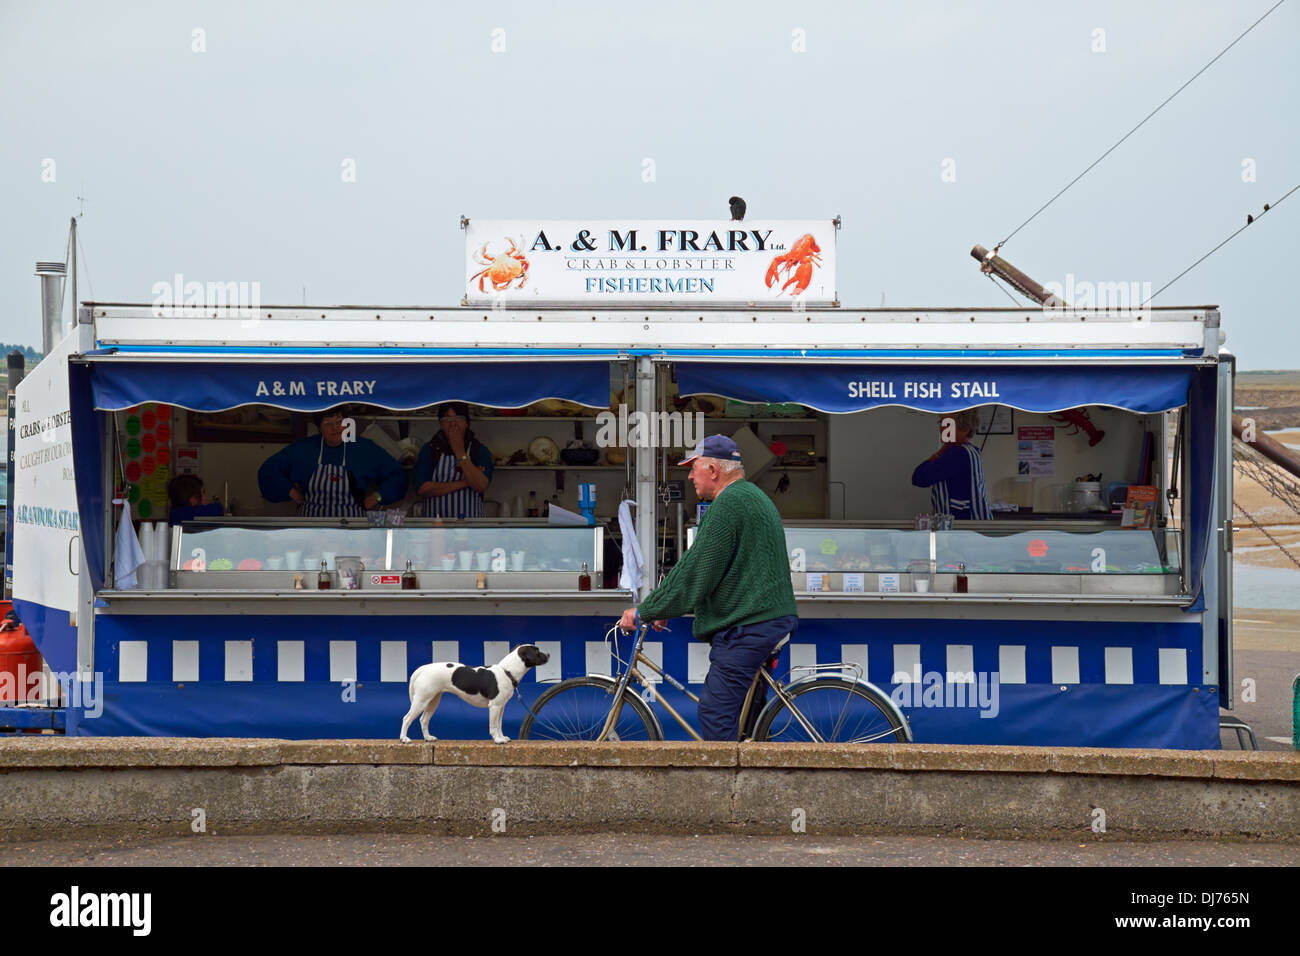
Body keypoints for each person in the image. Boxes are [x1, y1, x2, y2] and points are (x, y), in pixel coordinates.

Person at [618, 434, 798, 741]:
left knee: (716, 713)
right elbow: (715, 572)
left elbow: (695, 570)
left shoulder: (727, 505)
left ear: (713, 470)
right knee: (746, 722)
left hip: (749, 628)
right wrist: (666, 608)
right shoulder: (750, 496)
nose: (689, 477)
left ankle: (727, 787)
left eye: (693, 468)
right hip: (765, 620)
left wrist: (646, 610)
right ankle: (756, 779)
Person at [258, 405, 407, 517]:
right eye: (328, 423)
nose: (335, 428)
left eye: (339, 421)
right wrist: (291, 492)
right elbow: (267, 472)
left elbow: (398, 476)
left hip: (353, 531)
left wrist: (376, 497)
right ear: (319, 427)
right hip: (311, 530)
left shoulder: (365, 449)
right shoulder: (303, 449)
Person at [415, 402, 494, 518]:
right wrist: (465, 482)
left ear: (466, 423)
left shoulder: (479, 450)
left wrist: (460, 452)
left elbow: (480, 486)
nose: (453, 423)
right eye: (447, 419)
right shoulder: (429, 450)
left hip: (471, 529)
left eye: (458, 418)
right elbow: (423, 488)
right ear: (441, 424)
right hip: (435, 529)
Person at [910, 408, 992, 519]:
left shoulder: (956, 454)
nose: (942, 428)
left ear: (965, 429)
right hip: (975, 524)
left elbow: (919, 478)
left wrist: (939, 453)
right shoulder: (972, 450)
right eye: (942, 423)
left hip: (963, 528)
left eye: (948, 424)